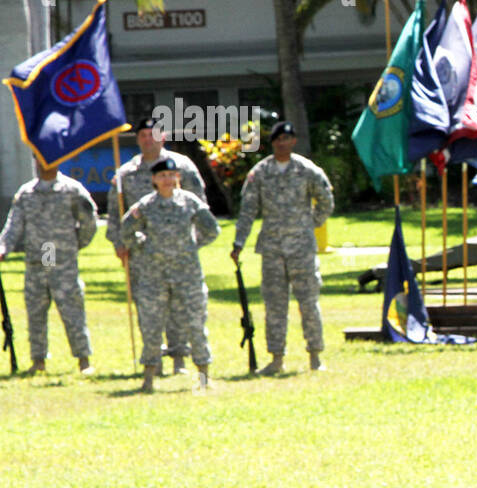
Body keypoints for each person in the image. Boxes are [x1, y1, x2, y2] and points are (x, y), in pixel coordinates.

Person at [231, 121, 335, 374]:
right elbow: (248, 210)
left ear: (293, 141)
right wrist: (238, 243)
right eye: (279, 139)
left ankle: (315, 356)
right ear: (273, 142)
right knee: (275, 306)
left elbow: (326, 200)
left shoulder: (306, 169)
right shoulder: (261, 172)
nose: (283, 143)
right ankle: (276, 358)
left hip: (302, 248)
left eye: (287, 139)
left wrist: (309, 224)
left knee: (308, 303)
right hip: (273, 249)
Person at [107, 115, 208, 374]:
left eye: (152, 134)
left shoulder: (182, 167)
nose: (147, 139)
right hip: (143, 252)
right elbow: (116, 212)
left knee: (179, 306)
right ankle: (154, 360)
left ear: (162, 136)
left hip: (179, 252)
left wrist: (192, 241)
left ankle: (179, 358)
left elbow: (199, 205)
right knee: (149, 306)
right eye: (142, 135)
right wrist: (120, 243)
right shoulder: (126, 172)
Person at [121, 158, 220, 392]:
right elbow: (126, 231)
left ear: (178, 178)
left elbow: (212, 229)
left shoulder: (190, 202)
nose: (167, 179)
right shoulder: (144, 206)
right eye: (162, 175)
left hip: (188, 274)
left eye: (171, 175)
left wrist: (193, 245)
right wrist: (142, 245)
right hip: (155, 275)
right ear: (154, 180)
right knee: (152, 325)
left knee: (195, 324)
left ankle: (203, 377)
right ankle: (148, 379)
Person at [0, 163, 97, 374]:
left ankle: (83, 360)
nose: (43, 165)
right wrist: (3, 247)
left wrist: (76, 244)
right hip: (39, 260)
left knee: (72, 311)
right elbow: (14, 224)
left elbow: (89, 221)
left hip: (61, 260)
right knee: (35, 313)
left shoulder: (71, 189)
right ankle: (38, 360)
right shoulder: (26, 193)